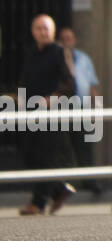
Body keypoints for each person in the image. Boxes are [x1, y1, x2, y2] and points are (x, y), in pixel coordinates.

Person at [18, 15, 78, 215]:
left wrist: (53, 97)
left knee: (46, 156)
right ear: (33, 31)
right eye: (38, 28)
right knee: (31, 154)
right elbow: (26, 80)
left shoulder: (60, 52)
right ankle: (60, 188)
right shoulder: (32, 53)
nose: (42, 32)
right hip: (31, 112)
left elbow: (70, 83)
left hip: (53, 113)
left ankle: (38, 203)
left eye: (45, 28)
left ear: (52, 31)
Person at [57, 26, 103, 196]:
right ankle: (64, 183)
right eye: (64, 38)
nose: (67, 41)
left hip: (82, 108)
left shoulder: (84, 59)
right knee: (64, 147)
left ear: (75, 40)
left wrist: (96, 106)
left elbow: (91, 84)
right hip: (62, 108)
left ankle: (89, 181)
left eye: (70, 38)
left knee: (85, 146)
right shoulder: (56, 59)